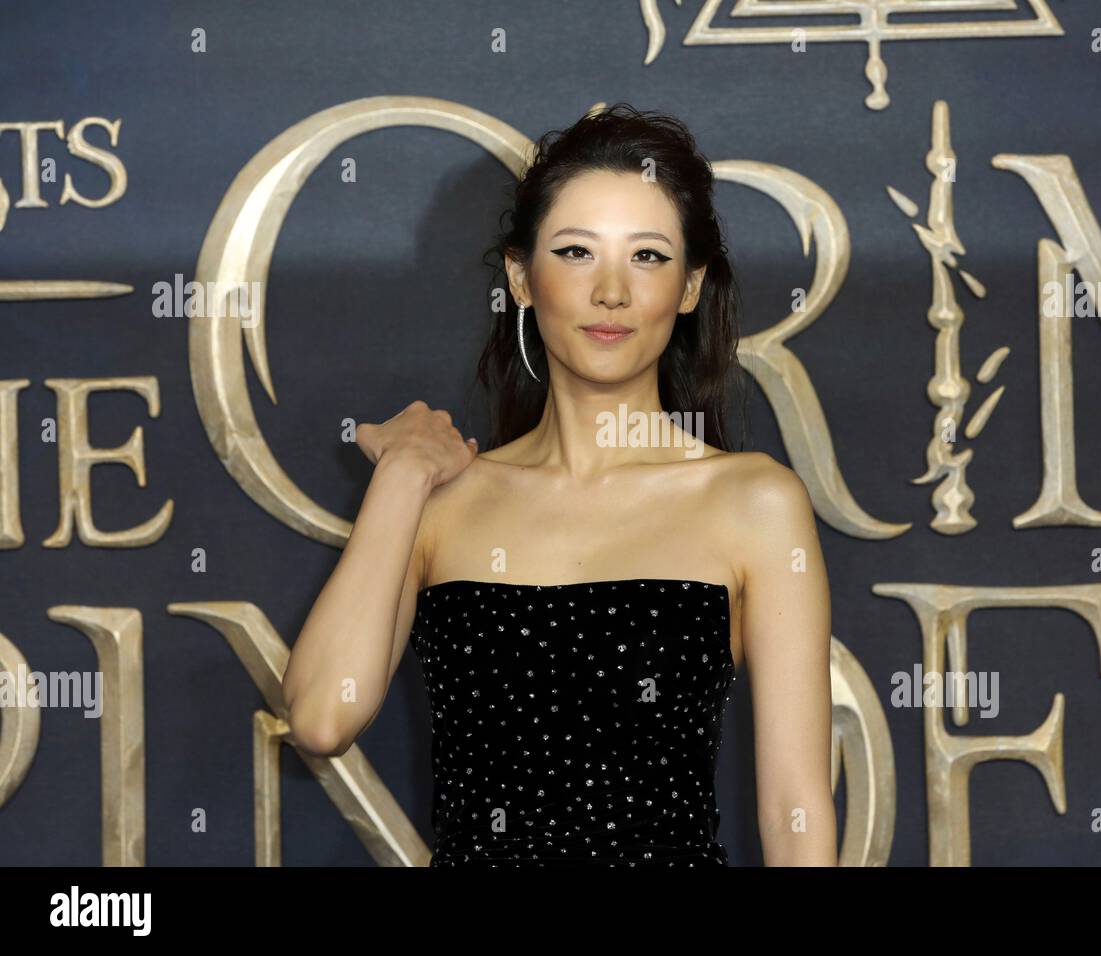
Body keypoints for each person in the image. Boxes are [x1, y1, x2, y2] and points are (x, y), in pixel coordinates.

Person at [282, 103, 836, 867]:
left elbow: (794, 806)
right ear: (520, 275)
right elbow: (319, 718)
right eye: (576, 251)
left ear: (688, 287)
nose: (611, 291)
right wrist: (403, 477)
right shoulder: (445, 500)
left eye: (647, 256)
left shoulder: (754, 503)